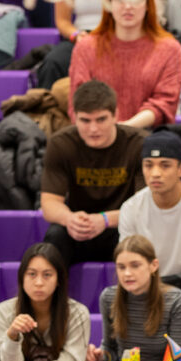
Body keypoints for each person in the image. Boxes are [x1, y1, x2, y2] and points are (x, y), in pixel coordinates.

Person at [39, 80, 144, 266]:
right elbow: (49, 203)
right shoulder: (61, 144)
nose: (93, 129)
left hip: (122, 225)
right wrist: (69, 219)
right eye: (85, 121)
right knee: (55, 235)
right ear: (74, 117)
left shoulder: (138, 143)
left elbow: (147, 208)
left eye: (101, 119)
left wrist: (104, 220)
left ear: (115, 115)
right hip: (79, 227)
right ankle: (55, 295)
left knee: (140, 238)